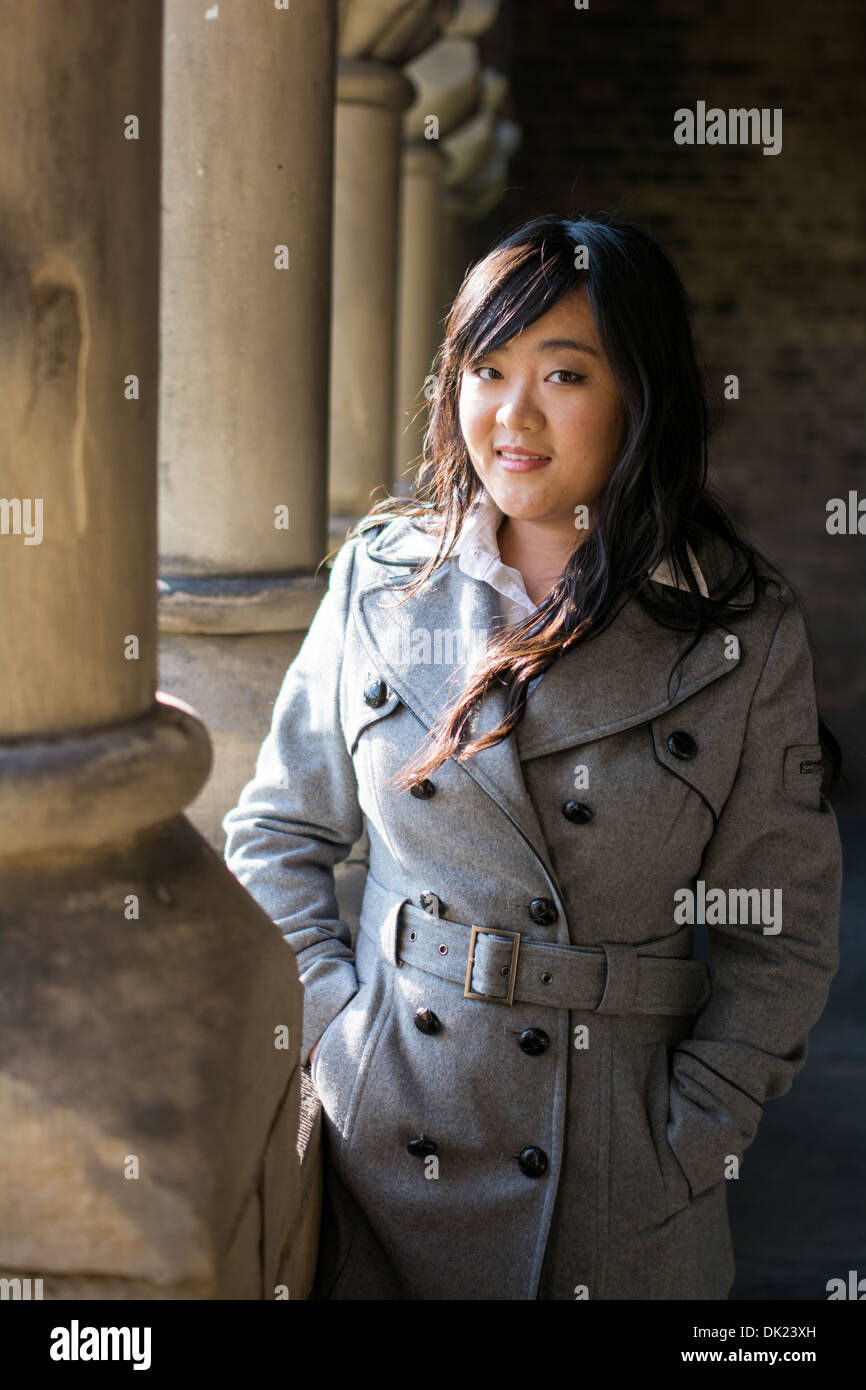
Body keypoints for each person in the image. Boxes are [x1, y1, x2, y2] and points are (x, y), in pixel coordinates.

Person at [222, 213, 843, 1301]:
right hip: (391, 1135)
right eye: (484, 368)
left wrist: (691, 1132)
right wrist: (333, 1035)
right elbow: (275, 835)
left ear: (638, 395)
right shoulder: (380, 581)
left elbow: (778, 935)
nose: (509, 414)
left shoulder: (737, 630)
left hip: (622, 1181)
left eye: (561, 374)